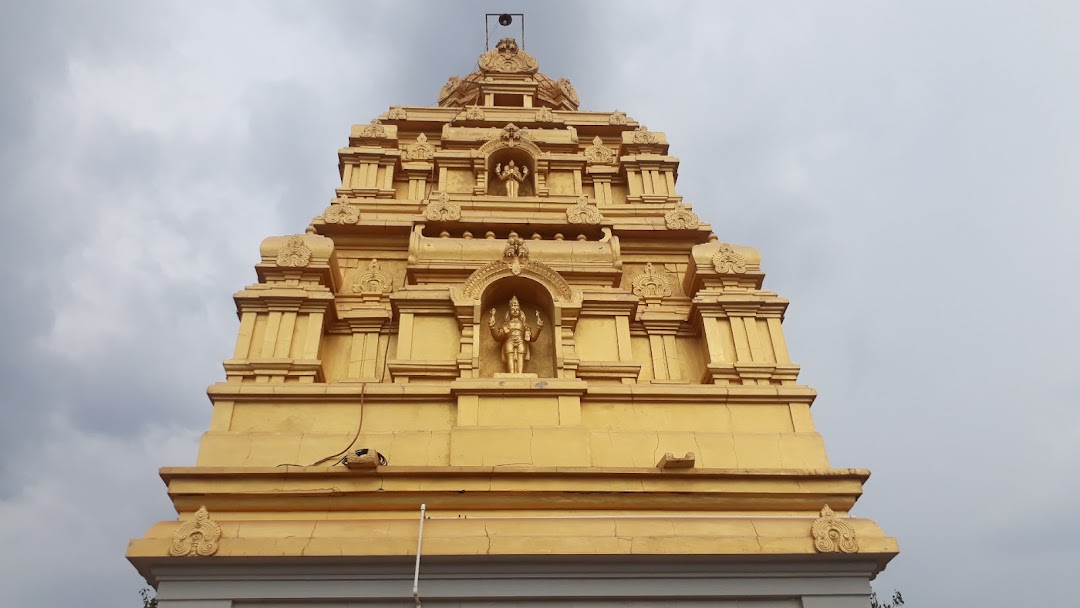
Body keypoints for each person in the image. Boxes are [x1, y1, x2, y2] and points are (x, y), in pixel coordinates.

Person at [489, 295, 543, 373]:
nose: (515, 311)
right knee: (509, 356)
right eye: (513, 309)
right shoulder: (505, 325)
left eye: (517, 309)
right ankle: (511, 374)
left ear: (520, 312)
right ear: (509, 312)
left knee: (521, 357)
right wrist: (492, 328)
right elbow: (497, 338)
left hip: (521, 341)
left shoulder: (524, 325)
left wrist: (539, 328)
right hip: (509, 341)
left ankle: (520, 374)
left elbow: (532, 339)